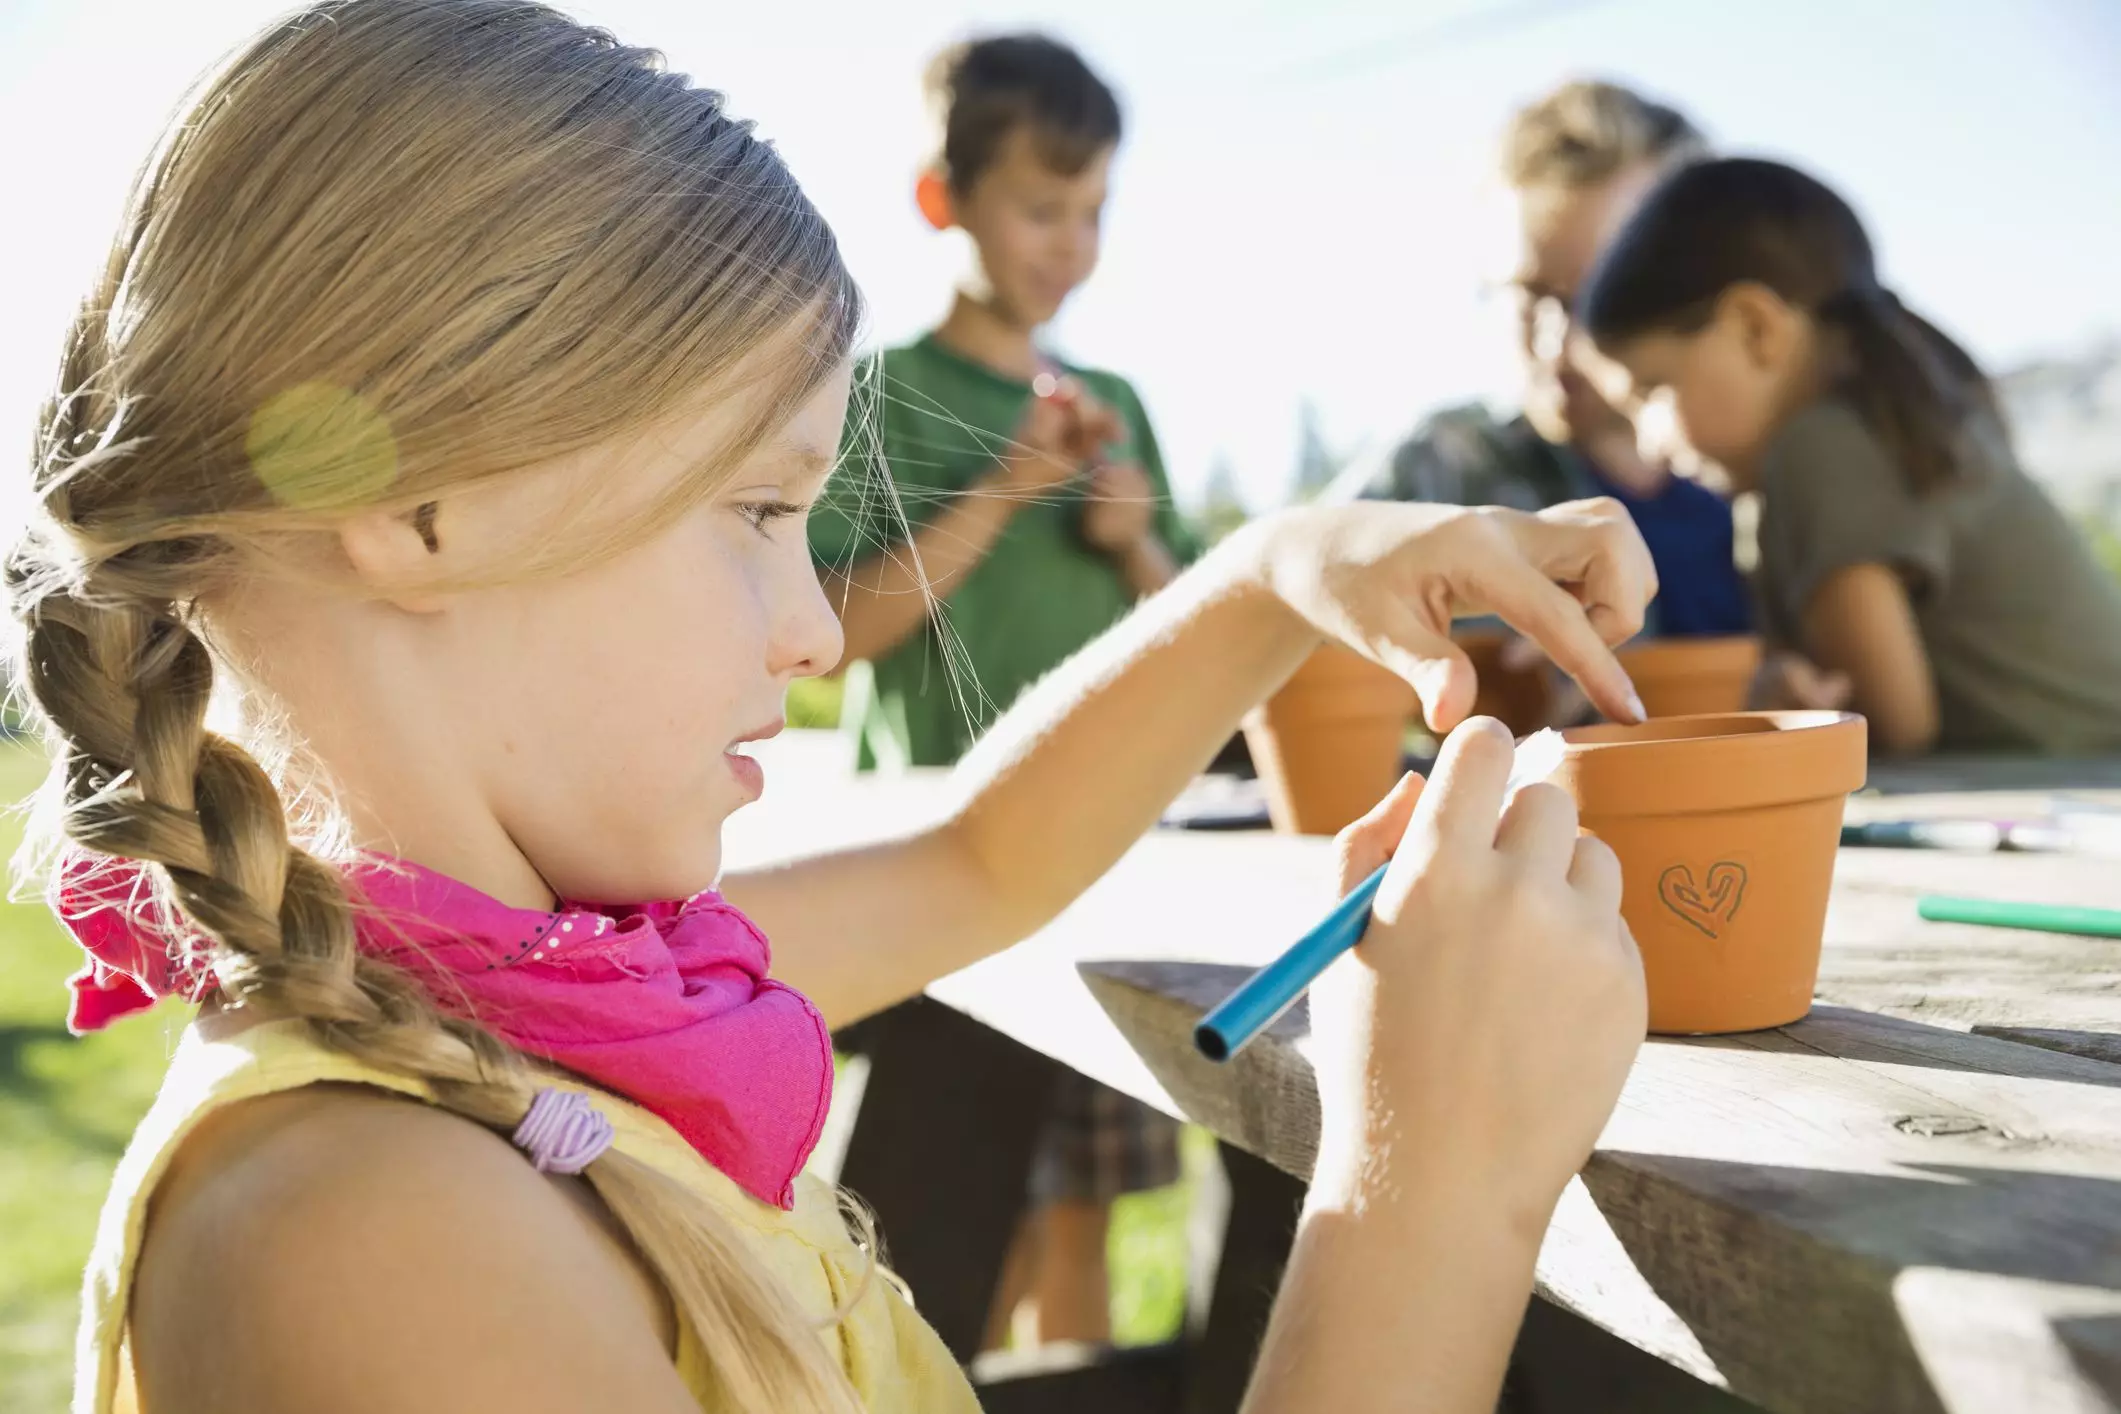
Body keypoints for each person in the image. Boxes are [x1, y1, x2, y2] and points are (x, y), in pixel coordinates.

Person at [16, 4, 1654, 1411]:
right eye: (752, 512)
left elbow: (982, 861)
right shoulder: (371, 1238)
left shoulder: (539, 1001)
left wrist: (1277, 567)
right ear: (425, 498)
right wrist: (1437, 1189)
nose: (813, 627)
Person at [806, 34, 1200, 1347]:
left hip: (1103, 865)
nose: (1071, 243)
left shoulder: (1115, 403)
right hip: (926, 873)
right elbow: (827, 636)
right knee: (929, 1207)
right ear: (945, 200)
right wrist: (1005, 493)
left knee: (1077, 1205)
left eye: (1093, 211)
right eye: (1042, 207)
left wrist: (1134, 534)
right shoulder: (881, 397)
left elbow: (1200, 642)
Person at [1577, 157, 2121, 755]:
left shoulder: (1823, 447)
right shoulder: (1856, 435)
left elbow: (1890, 729)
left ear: (1756, 327)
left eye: (1653, 390)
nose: (1649, 440)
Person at [1343, 80, 1752, 643]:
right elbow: (1273, 637)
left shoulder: (1778, 480)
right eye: (1531, 297)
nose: (1556, 344)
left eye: (1597, 297)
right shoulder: (1439, 474)